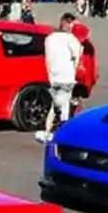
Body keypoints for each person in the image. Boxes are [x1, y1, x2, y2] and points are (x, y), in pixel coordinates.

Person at [36, 13, 82, 143]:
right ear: (67, 24)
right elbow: (76, 58)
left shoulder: (50, 38)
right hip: (66, 76)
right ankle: (62, 133)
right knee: (65, 107)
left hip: (53, 76)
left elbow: (48, 57)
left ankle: (47, 130)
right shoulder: (71, 39)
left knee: (54, 104)